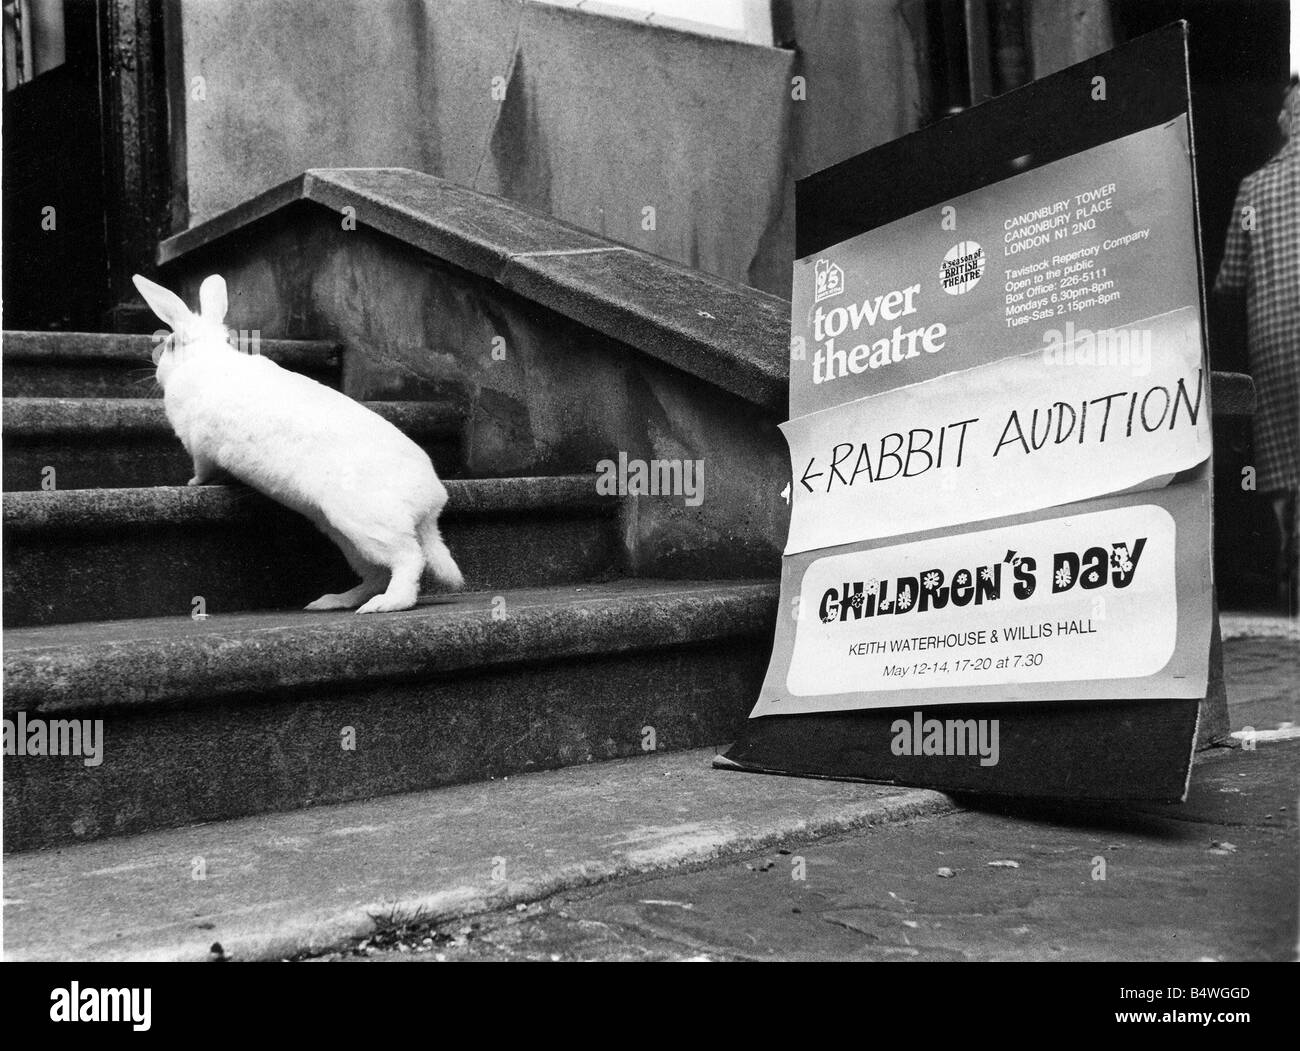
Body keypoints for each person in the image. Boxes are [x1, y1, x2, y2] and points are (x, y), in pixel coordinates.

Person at [1214, 78, 1300, 612]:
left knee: (1286, 467)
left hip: (1276, 344)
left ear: (1286, 125)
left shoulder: (1254, 189)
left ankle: (1292, 579)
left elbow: (1229, 279)